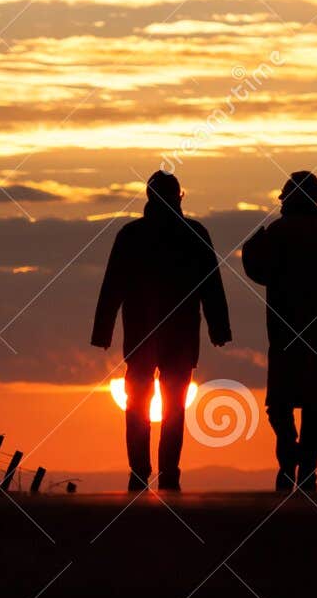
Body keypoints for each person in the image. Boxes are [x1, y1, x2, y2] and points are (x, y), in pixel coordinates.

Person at [91, 170, 231, 492]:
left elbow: (112, 285)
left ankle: (140, 472)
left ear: (149, 197)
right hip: (180, 337)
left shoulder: (131, 235)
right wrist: (219, 328)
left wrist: (103, 332)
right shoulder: (195, 234)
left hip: (141, 335)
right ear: (179, 197)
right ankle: (168, 473)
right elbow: (212, 285)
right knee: (173, 407)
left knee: (139, 404)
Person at [241, 170, 317, 493]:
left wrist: (251, 246)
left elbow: (258, 271)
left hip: (285, 334)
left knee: (280, 405)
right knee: (313, 407)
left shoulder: (279, 233)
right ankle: (305, 471)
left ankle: (290, 461)